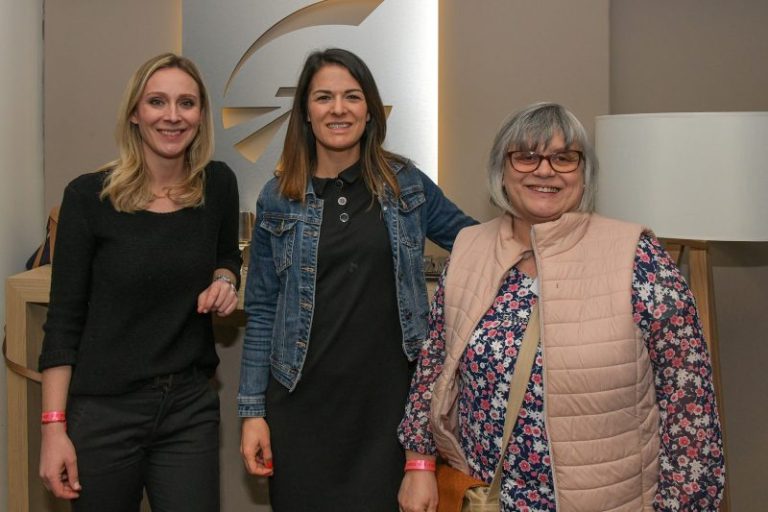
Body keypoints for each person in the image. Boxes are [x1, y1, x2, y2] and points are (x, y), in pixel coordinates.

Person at [397, 102, 726, 512]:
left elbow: (689, 409)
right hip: (486, 499)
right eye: (527, 156)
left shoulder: (638, 259)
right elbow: (434, 369)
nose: (545, 170)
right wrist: (420, 462)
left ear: (583, 174)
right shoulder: (468, 249)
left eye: (564, 158)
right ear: (502, 169)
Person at [237, 48, 476, 511]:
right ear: (306, 112)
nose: (339, 108)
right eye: (324, 97)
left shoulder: (406, 184)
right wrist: (253, 413)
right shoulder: (278, 197)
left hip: (389, 412)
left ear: (369, 110)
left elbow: (477, 244)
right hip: (300, 406)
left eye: (352, 96)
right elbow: (262, 310)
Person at [38, 53, 241, 512]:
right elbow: (64, 321)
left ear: (201, 115)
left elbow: (226, 255)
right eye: (157, 102)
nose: (172, 116)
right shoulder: (88, 197)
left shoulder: (218, 186)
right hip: (104, 412)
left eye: (186, 103)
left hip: (189, 408)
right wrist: (53, 428)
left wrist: (226, 278)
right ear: (135, 112)